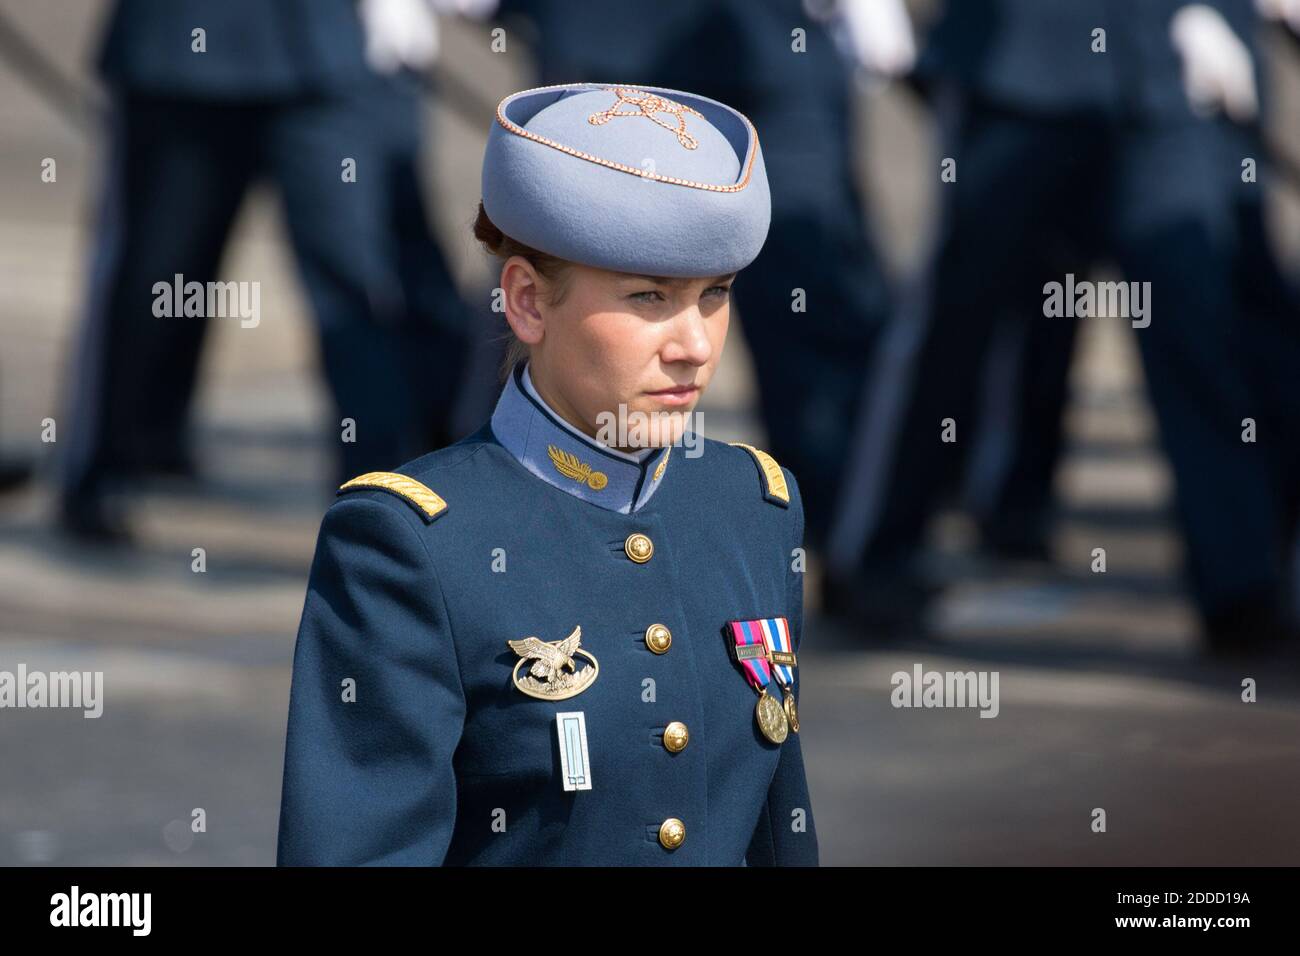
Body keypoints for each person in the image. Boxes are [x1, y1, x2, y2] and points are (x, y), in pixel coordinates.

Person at [276, 82, 819, 865]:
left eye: (715, 295)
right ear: (528, 302)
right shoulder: (411, 547)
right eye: (648, 297)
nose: (694, 344)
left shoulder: (754, 508)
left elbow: (777, 832)